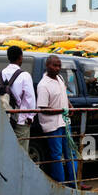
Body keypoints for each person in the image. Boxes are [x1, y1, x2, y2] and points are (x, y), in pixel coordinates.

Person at [36, 55, 78, 184]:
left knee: (71, 153)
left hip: (65, 123)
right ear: (47, 66)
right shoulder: (43, 85)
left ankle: (74, 182)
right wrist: (60, 111)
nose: (57, 68)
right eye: (55, 65)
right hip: (53, 125)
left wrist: (69, 106)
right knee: (57, 155)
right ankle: (60, 183)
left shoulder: (60, 78)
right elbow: (42, 108)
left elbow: (63, 95)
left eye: (59, 65)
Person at [0, 46, 35, 150]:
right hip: (20, 121)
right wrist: (30, 116)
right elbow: (30, 99)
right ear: (20, 57)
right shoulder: (25, 76)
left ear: (8, 57)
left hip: (2, 120)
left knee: (3, 150)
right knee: (21, 152)